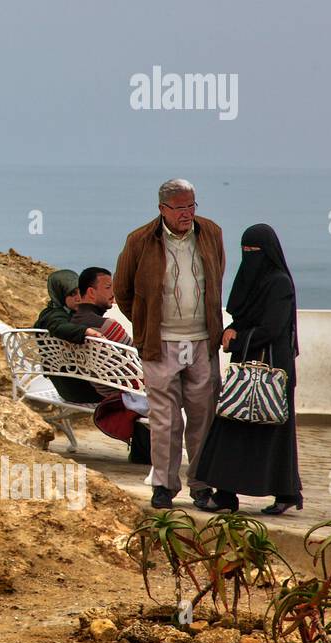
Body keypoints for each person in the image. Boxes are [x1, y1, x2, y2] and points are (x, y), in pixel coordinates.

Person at [114, 178, 225, 510]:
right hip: (160, 344)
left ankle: (202, 487)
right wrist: (146, 324)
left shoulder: (211, 233)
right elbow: (123, 290)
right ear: (162, 208)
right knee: (165, 420)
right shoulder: (139, 240)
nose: (187, 214)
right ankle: (163, 486)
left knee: (203, 416)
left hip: (202, 342)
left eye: (192, 206)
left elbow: (218, 275)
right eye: (180, 208)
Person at [195, 225, 302, 514]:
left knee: (275, 431)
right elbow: (243, 317)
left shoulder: (279, 283)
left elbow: (272, 327)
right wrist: (233, 330)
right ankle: (226, 495)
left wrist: (239, 338)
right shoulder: (253, 281)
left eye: (254, 251)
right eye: (245, 251)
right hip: (246, 367)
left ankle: (286, 493)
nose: (249, 257)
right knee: (231, 427)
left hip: (272, 371)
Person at [74, 266, 152, 462]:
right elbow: (138, 356)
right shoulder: (107, 327)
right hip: (114, 389)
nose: (113, 293)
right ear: (91, 292)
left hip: (95, 384)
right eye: (108, 288)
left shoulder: (73, 322)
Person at [33, 269, 103, 404]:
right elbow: (59, 327)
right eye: (72, 294)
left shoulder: (63, 313)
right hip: (77, 388)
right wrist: (86, 331)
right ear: (60, 294)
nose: (78, 297)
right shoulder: (53, 316)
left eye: (79, 291)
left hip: (71, 383)